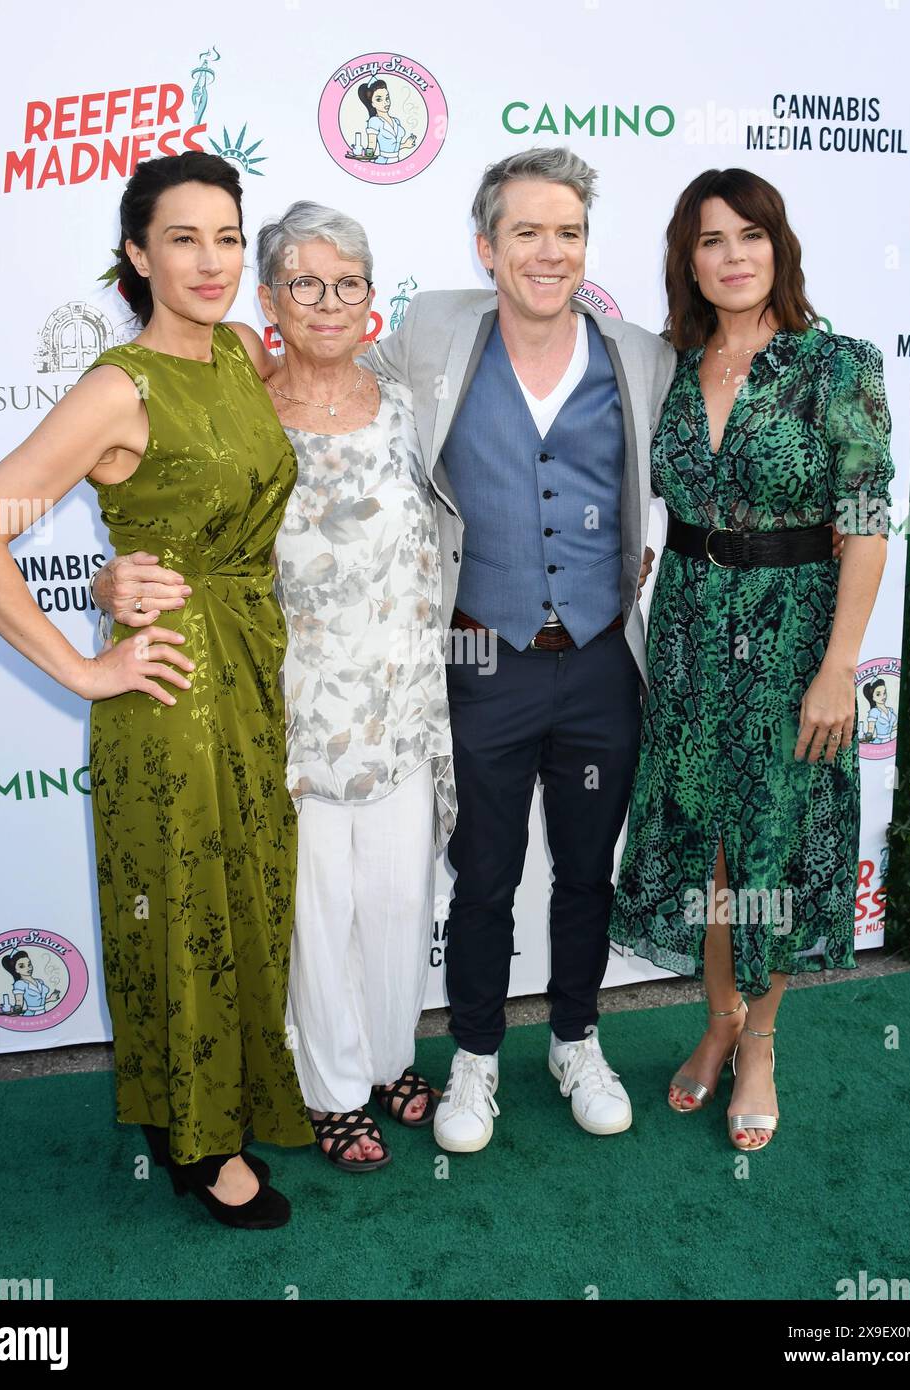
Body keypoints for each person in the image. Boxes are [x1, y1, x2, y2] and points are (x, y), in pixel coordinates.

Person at [0, 150, 312, 1227]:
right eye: (182, 239)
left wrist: (125, 566)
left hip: (251, 654)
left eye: (228, 237)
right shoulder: (117, 385)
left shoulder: (243, 351)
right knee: (185, 897)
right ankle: (203, 1145)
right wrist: (87, 663)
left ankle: (195, 1094)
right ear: (137, 255)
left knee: (249, 887)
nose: (210, 260)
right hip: (172, 680)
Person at [92, 202, 455, 1171]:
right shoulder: (240, 412)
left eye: (347, 284)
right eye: (304, 283)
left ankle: (386, 1059)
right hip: (282, 710)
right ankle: (332, 1089)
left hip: (404, 709)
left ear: (372, 303)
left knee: (393, 903)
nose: (327, 302)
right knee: (313, 911)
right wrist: (110, 575)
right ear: (270, 300)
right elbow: (167, 519)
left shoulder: (406, 406)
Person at [358, 146, 675, 1152]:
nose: (550, 252)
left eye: (568, 232)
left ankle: (576, 1039)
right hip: (479, 660)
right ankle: (476, 1059)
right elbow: (322, 394)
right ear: (486, 245)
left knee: (585, 870)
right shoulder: (430, 334)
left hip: (595, 663)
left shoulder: (640, 355)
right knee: (483, 874)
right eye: (526, 232)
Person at [609, 168, 893, 1151]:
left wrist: (838, 664)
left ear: (778, 244)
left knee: (768, 844)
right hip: (688, 632)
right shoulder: (668, 370)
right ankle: (717, 1018)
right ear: (684, 260)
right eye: (708, 240)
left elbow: (862, 521)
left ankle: (760, 1040)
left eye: (748, 235)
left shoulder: (835, 365)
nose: (731, 256)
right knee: (713, 851)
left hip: (791, 638)